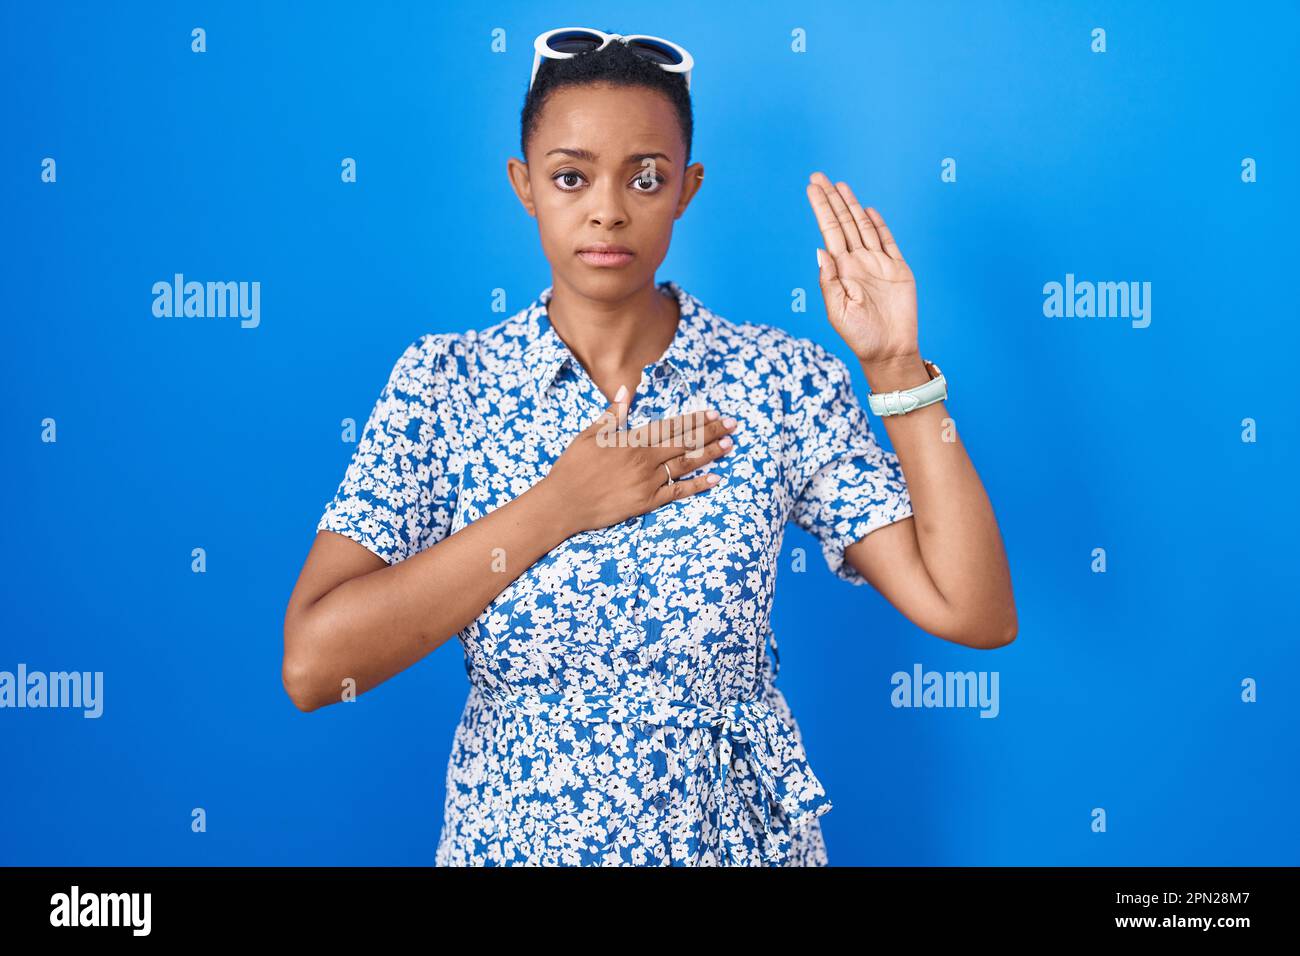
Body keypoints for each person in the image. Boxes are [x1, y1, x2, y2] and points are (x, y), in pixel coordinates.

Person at [282, 27, 1017, 866]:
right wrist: (559, 506)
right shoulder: (446, 384)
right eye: (571, 176)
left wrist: (895, 367)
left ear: (686, 188)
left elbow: (974, 611)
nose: (608, 208)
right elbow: (314, 666)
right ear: (523, 185)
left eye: (645, 178)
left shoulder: (777, 379)